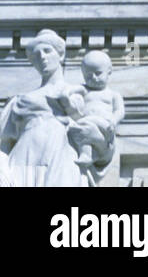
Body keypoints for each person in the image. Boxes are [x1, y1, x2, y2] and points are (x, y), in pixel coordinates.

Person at [0, 29, 84, 187]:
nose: (43, 57)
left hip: (59, 153)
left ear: (61, 55)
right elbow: (3, 142)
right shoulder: (20, 100)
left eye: (47, 51)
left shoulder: (74, 93)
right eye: (37, 55)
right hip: (26, 157)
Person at [66, 50, 124, 178]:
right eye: (88, 75)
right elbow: (69, 91)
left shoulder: (112, 94)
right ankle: (86, 154)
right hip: (86, 122)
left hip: (105, 125)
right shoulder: (84, 90)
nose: (93, 78)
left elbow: (119, 110)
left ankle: (91, 153)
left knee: (86, 128)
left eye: (98, 73)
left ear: (109, 72)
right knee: (81, 131)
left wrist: (114, 120)